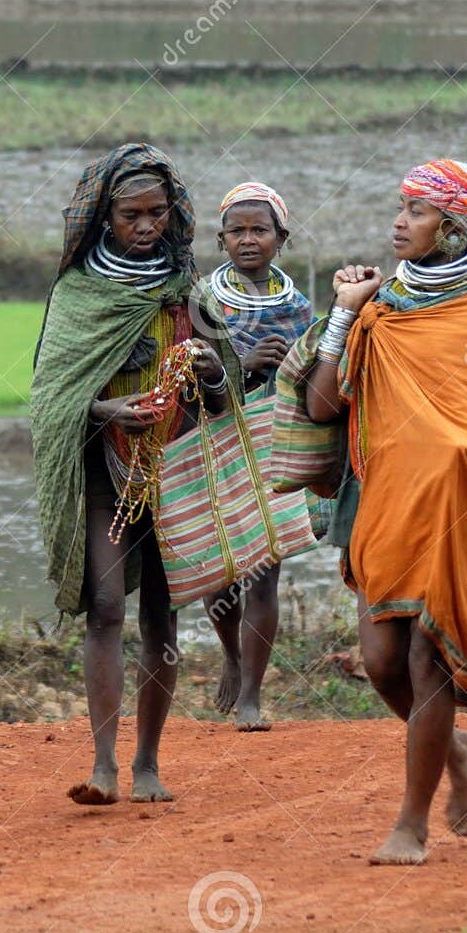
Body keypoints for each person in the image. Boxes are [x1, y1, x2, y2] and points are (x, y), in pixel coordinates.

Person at [304, 159, 467, 865]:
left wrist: (463, 451)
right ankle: (458, 750)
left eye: (415, 211)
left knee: (427, 655)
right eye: (400, 208)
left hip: (462, 517)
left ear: (451, 226)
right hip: (387, 510)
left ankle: (410, 826)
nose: (398, 222)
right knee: (382, 661)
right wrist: (345, 313)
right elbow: (323, 404)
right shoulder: (384, 305)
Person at [30, 142, 240, 806]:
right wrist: (103, 405)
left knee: (162, 617)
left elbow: (227, 387)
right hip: (106, 466)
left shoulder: (188, 293)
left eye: (157, 213)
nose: (145, 226)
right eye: (130, 215)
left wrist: (210, 374)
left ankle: (148, 761)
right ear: (103, 218)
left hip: (174, 467)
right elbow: (49, 395)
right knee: (107, 606)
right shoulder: (78, 294)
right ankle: (103, 764)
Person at [198, 181, 314, 732]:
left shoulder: (299, 309)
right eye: (238, 230)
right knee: (218, 569)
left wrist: (289, 364)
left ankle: (251, 694)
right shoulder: (201, 303)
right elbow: (183, 371)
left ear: (280, 237)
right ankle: (231, 651)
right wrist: (240, 362)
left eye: (259, 229)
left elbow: (316, 376)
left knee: (264, 570)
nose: (249, 239)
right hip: (210, 443)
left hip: (274, 445)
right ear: (221, 240)